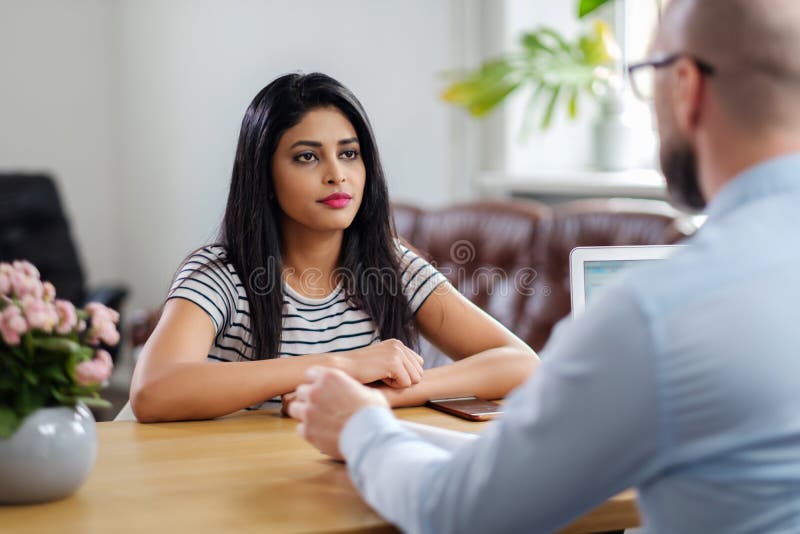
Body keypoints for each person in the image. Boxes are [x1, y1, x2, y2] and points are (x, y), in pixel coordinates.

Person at [288, 0, 800, 532]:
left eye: (648, 74)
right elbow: (528, 466)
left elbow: (458, 512)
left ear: (686, 87)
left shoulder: (659, 314)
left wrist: (363, 429)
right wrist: (386, 427)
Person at [129, 73, 538, 423]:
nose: (337, 174)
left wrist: (385, 395)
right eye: (307, 157)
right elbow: (153, 390)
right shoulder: (221, 274)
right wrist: (338, 366)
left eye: (349, 153)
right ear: (264, 176)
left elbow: (522, 364)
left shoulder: (390, 264)